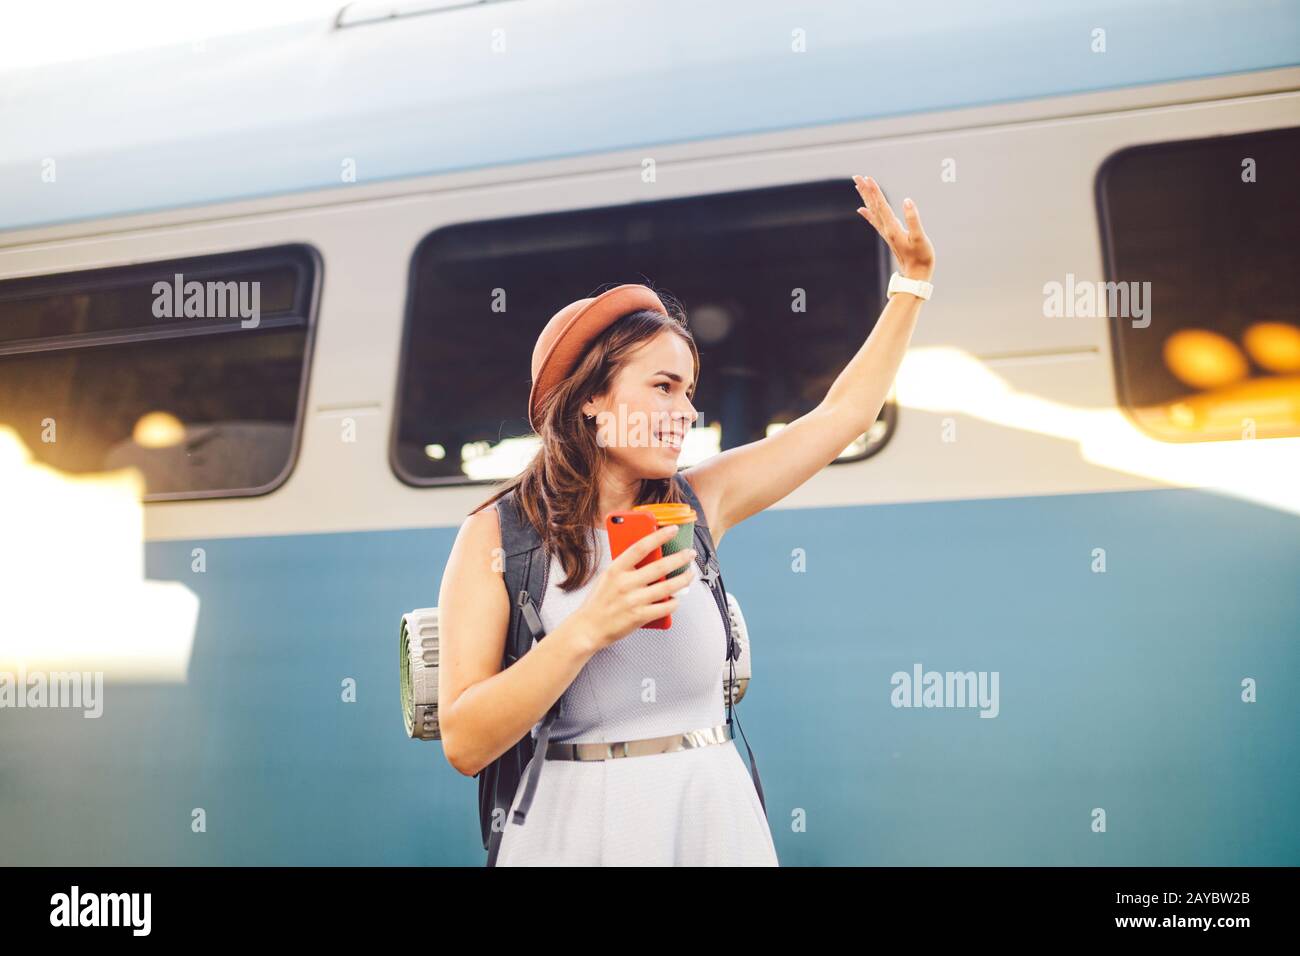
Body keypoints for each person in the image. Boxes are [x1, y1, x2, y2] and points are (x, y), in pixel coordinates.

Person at [436, 174, 935, 865]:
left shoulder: (700, 504)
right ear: (591, 401)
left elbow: (842, 417)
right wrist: (589, 627)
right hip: (573, 831)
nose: (687, 411)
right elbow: (464, 742)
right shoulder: (496, 537)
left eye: (690, 391)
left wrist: (910, 287)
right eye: (662, 387)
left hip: (710, 819)